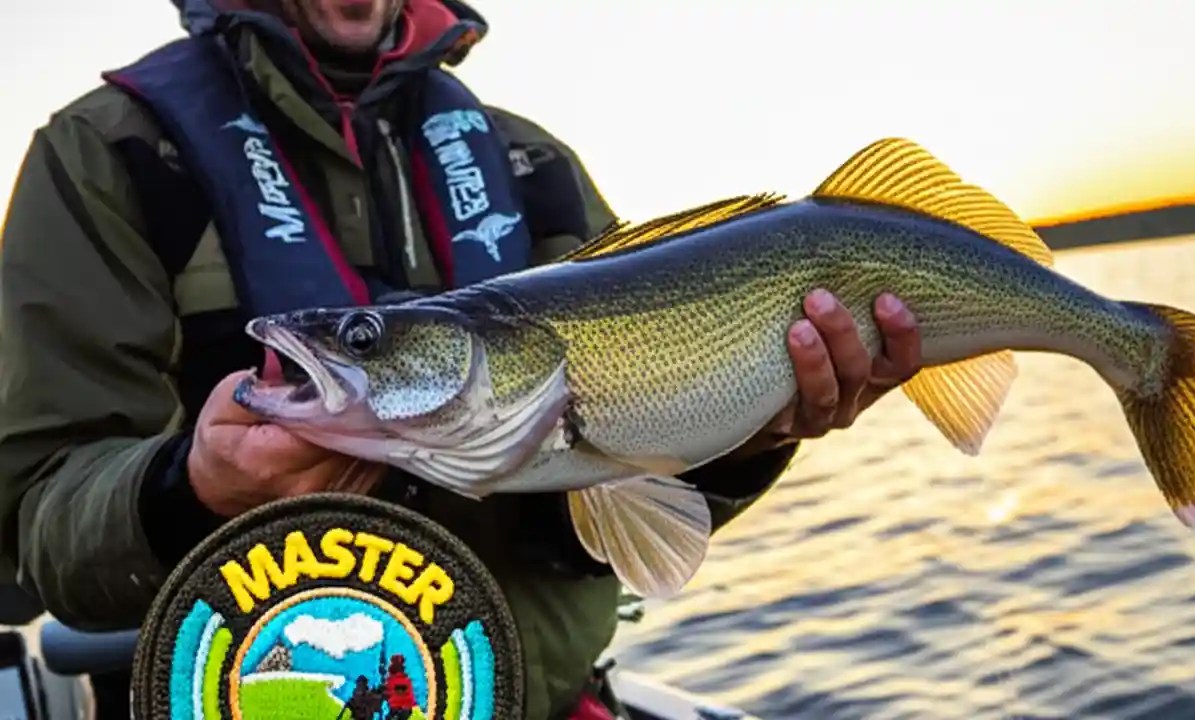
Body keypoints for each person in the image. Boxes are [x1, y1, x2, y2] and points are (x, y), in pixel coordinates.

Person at [0, 0, 923, 718]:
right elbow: (33, 524)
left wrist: (755, 437)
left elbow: (619, 492)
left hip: (546, 700)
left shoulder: (532, 164)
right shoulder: (108, 157)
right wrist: (188, 489)